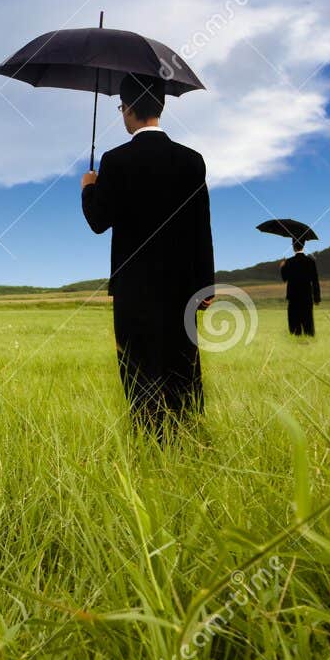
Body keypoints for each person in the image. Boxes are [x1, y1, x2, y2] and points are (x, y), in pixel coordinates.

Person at [80, 73, 215, 438]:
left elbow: (98, 221)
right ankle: (187, 436)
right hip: (182, 285)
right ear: (161, 106)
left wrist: (88, 189)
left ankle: (149, 439)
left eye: (122, 109)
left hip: (134, 288)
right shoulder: (191, 160)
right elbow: (201, 226)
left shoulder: (115, 161)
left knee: (138, 365)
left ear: (128, 110)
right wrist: (206, 286)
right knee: (182, 363)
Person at [280, 240, 320, 336]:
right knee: (308, 322)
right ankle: (309, 340)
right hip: (307, 297)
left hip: (293, 297)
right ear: (303, 246)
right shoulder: (311, 261)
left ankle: (296, 340)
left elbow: (285, 279)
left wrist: (282, 267)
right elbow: (315, 281)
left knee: (294, 324)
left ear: (293, 247)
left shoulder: (289, 262)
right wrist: (316, 298)